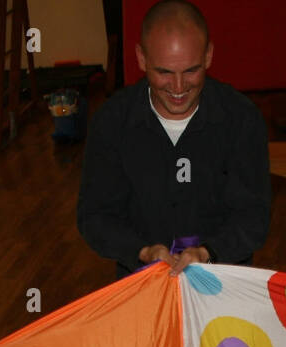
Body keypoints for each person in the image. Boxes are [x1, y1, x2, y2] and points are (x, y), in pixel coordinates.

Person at [77, 0, 270, 278]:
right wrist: (142, 252)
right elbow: (94, 217)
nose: (179, 88)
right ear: (141, 59)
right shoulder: (111, 122)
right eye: (164, 72)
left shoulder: (241, 119)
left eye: (191, 70)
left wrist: (207, 253)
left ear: (208, 56)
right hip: (141, 283)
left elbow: (254, 216)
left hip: (224, 281)